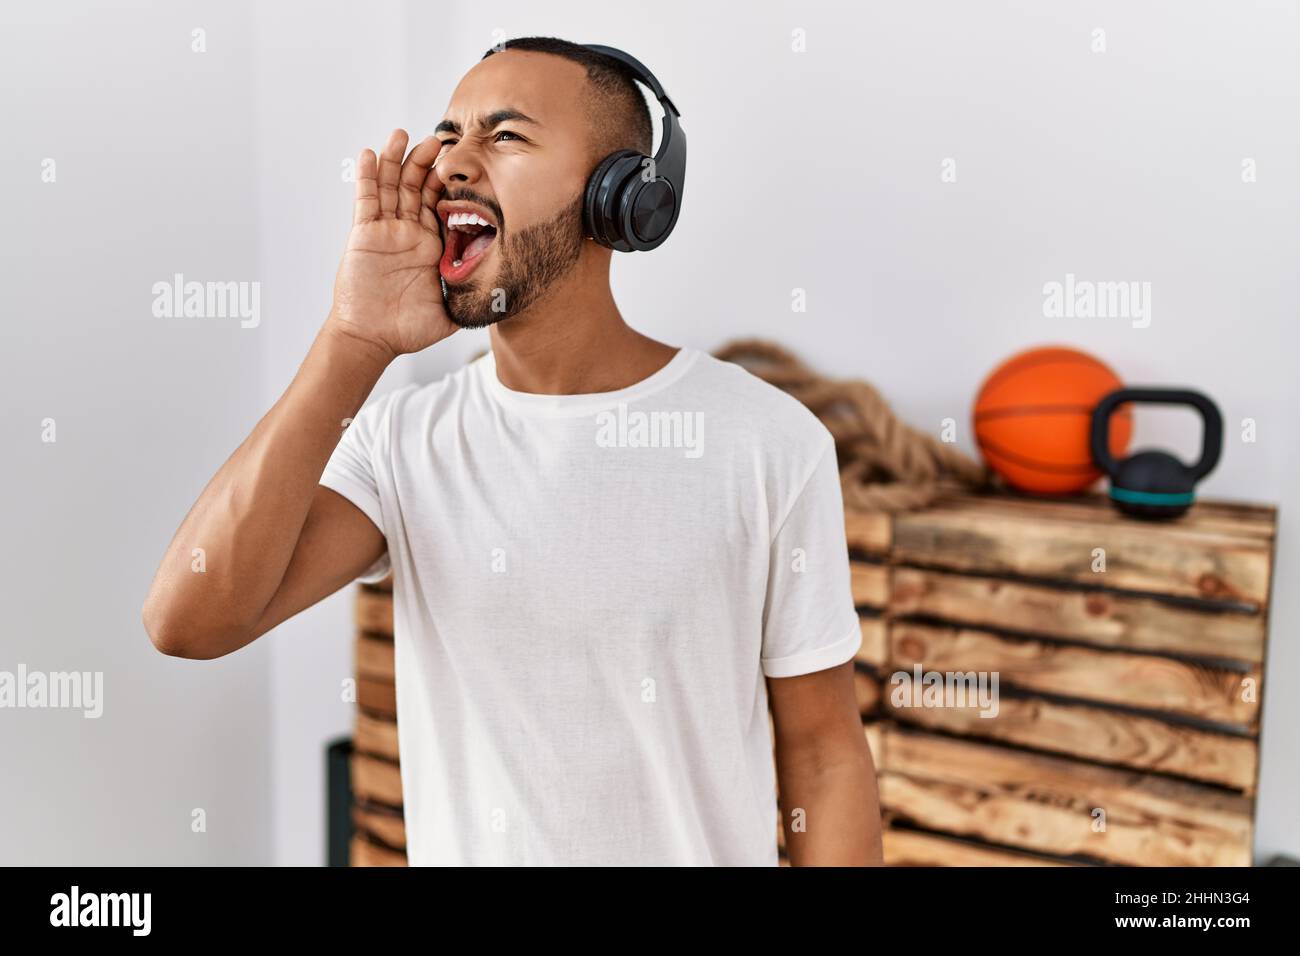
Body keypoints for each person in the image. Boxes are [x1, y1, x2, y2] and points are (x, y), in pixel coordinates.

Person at [143, 36, 883, 866]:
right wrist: (353, 339)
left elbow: (823, 757)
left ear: (622, 198)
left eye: (504, 136)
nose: (451, 163)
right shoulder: (403, 444)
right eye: (448, 133)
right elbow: (189, 621)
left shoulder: (768, 441)